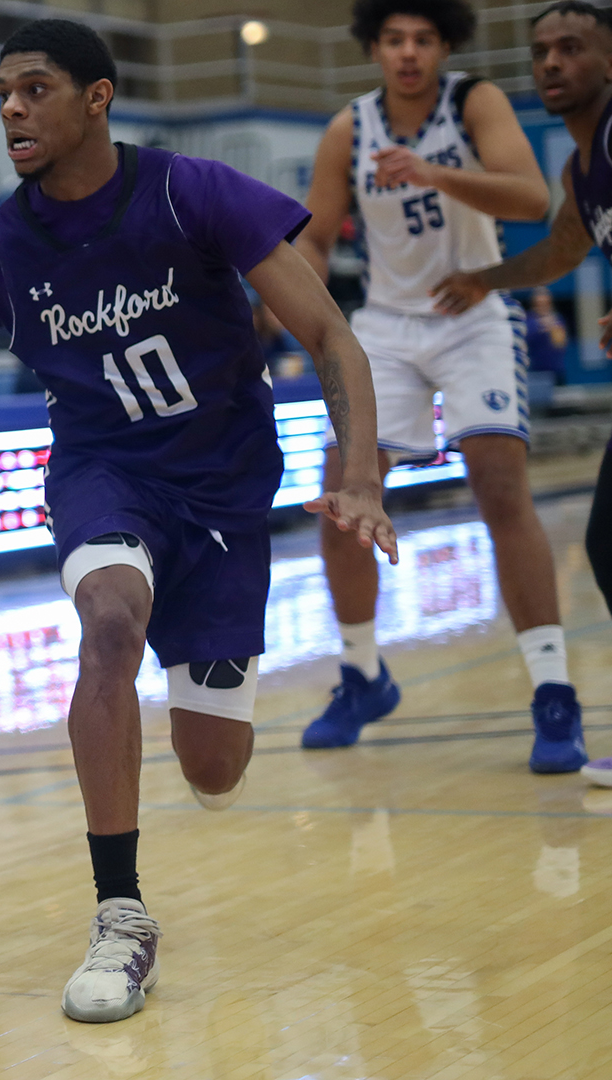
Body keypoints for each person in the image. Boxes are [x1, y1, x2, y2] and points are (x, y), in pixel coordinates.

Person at [0, 18, 397, 1026]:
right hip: (104, 476)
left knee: (215, 771)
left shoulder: (192, 193)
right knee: (107, 621)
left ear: (97, 98)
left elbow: (330, 333)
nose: (12, 109)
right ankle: (120, 914)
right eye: (2, 93)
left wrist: (360, 475)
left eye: (35, 89)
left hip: (224, 489)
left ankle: (212, 684)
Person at [295, 0, 585, 771]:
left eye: (423, 39)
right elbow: (315, 236)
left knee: (499, 486)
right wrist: (301, 308)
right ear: (374, 47)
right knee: (342, 496)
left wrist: (430, 172)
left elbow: (531, 198)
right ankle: (362, 674)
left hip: (472, 310)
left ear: (445, 46)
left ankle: (553, 691)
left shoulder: (474, 102)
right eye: (394, 39)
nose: (408, 53)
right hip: (385, 325)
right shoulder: (349, 127)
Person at [430, 0, 612, 786]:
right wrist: (487, 279)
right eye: (541, 50)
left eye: (571, 47)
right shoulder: (582, 168)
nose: (551, 63)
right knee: (607, 545)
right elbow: (564, 247)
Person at [524, 286, 568, 377]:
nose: (542, 305)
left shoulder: (556, 319)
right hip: (536, 369)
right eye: (539, 303)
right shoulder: (529, 319)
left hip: (556, 369)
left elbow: (561, 344)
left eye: (545, 302)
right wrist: (539, 327)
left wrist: (553, 328)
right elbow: (525, 339)